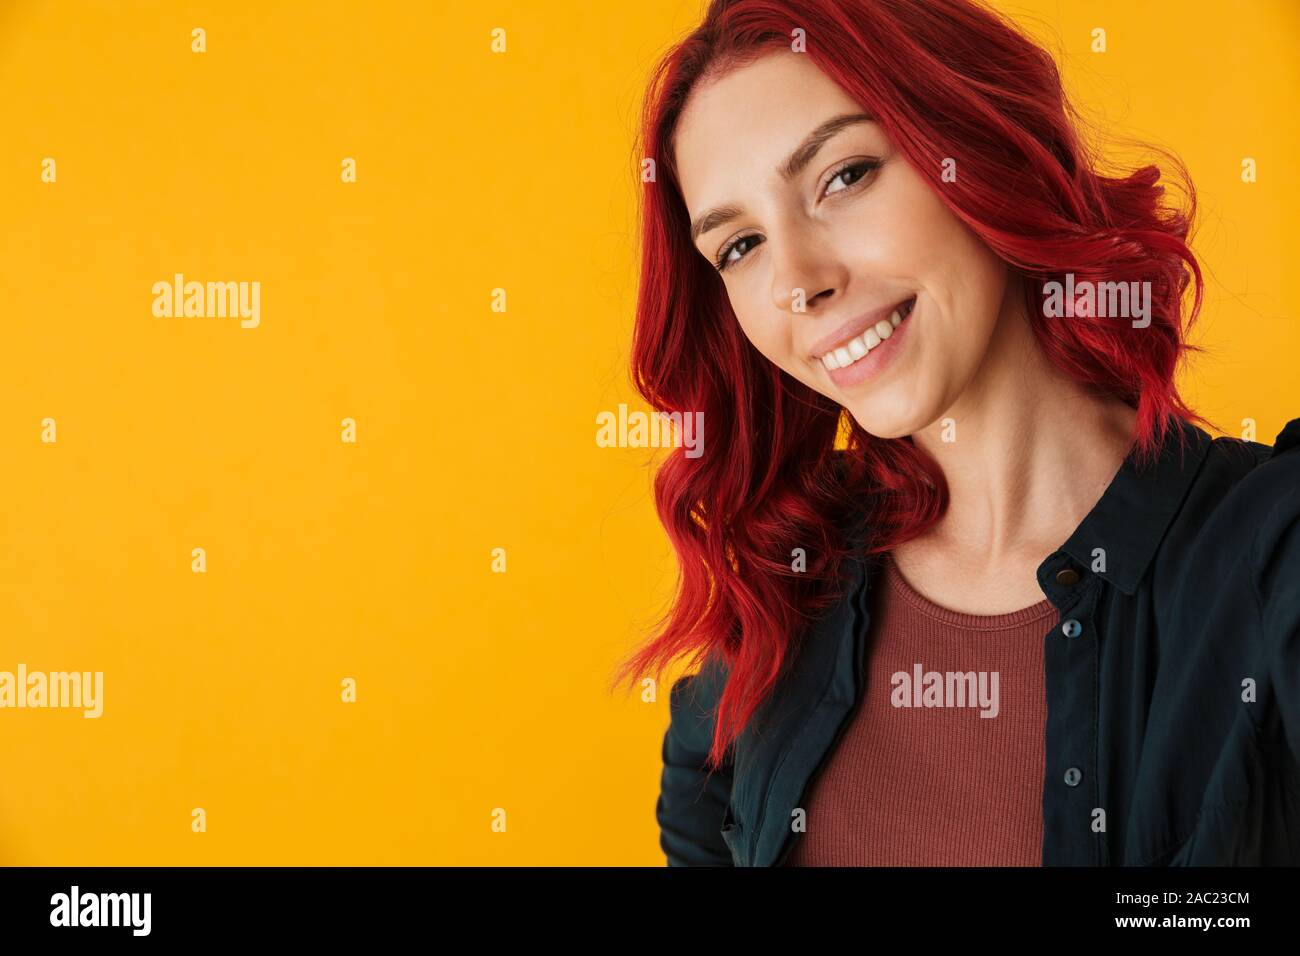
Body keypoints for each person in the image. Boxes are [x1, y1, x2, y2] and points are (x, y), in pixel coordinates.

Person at [613, 0, 1300, 866]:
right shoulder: (788, 592)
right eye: (741, 244)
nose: (799, 282)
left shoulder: (1274, 559)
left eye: (844, 176)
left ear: (980, 145)